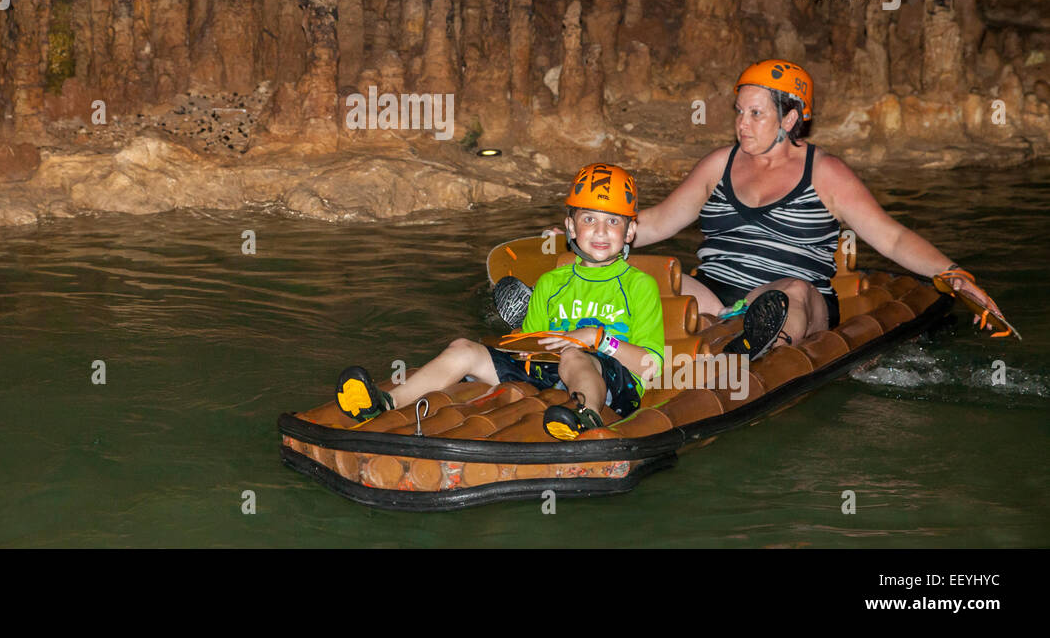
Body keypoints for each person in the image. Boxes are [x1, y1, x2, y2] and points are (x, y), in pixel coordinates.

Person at [630, 58, 1008, 349]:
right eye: (739, 111)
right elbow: (657, 222)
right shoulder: (718, 164)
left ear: (790, 117)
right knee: (634, 271)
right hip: (716, 295)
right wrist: (585, 230)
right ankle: (713, 334)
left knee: (789, 292)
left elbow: (891, 239)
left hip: (795, 300)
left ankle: (757, 349)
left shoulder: (825, 172)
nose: (742, 123)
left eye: (756, 113)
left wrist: (954, 273)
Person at [334, 163, 665, 439]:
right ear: (570, 227)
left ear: (631, 231)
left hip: (614, 385)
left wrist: (599, 339)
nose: (601, 231)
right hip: (549, 372)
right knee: (464, 347)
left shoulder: (640, 286)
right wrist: (520, 345)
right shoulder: (551, 283)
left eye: (614, 221)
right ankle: (385, 402)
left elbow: (652, 367)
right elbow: (531, 345)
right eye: (589, 219)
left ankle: (587, 414)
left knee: (574, 357)